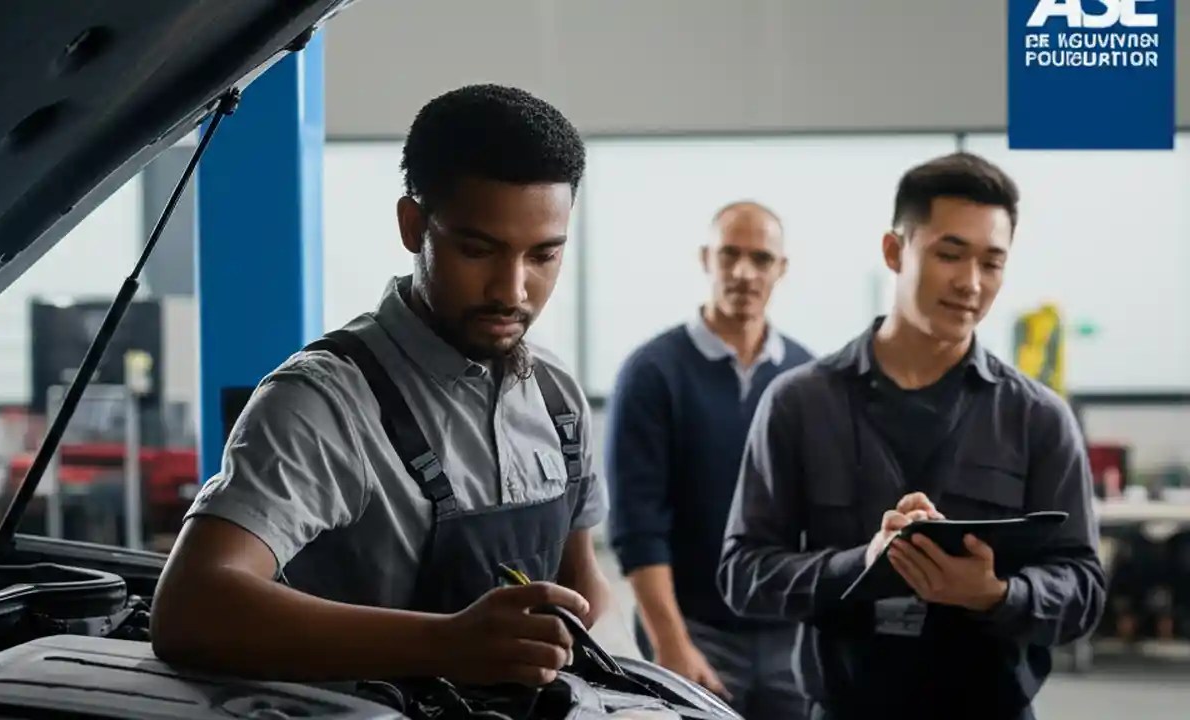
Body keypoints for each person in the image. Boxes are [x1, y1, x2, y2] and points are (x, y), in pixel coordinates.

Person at [151, 84, 611, 688]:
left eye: (543, 256)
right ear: (413, 224)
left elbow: (581, 574)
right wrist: (448, 644)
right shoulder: (322, 406)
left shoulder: (556, 399)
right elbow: (192, 607)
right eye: (479, 250)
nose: (513, 290)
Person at [717, 152, 1106, 720]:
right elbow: (743, 575)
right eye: (950, 254)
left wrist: (996, 594)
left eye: (992, 263)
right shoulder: (801, 402)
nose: (971, 283)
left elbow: (1084, 587)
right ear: (895, 251)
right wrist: (861, 564)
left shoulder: (1038, 416)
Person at [606, 201, 813, 719]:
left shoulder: (808, 378)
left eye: (761, 259)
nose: (744, 273)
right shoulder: (652, 372)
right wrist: (671, 644)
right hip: (694, 631)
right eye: (730, 255)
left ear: (781, 270)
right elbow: (637, 527)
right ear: (706, 259)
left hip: (791, 635)